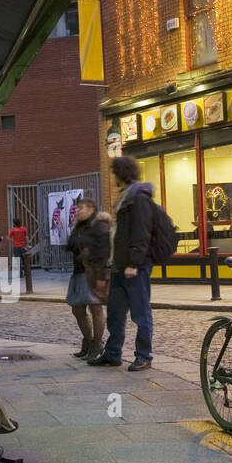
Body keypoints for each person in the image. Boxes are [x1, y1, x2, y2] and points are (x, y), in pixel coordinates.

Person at [89, 156, 154, 371]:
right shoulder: (126, 195)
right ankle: (113, 353)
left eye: (114, 172)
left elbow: (141, 233)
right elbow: (119, 234)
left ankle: (144, 356)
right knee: (116, 314)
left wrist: (134, 263)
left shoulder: (139, 197)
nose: (112, 177)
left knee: (140, 313)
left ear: (121, 173)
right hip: (119, 265)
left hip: (135, 267)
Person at [66, 197, 111, 360]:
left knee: (95, 308)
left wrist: (99, 276)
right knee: (77, 309)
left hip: (93, 272)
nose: (77, 211)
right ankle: (88, 340)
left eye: (81, 208)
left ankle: (97, 344)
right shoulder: (79, 226)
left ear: (91, 209)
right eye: (77, 208)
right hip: (78, 271)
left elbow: (104, 250)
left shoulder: (99, 226)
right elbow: (70, 245)